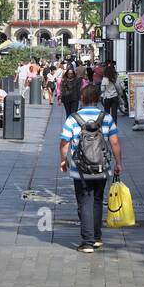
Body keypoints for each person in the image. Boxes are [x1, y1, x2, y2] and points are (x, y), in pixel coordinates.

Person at [59, 84, 123, 252]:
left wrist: (63, 160)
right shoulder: (106, 117)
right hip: (102, 167)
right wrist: (118, 162)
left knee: (84, 202)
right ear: (97, 99)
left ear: (82, 98)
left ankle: (87, 242)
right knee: (96, 201)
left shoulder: (73, 118)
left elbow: (64, 142)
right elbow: (114, 142)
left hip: (80, 169)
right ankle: (96, 236)